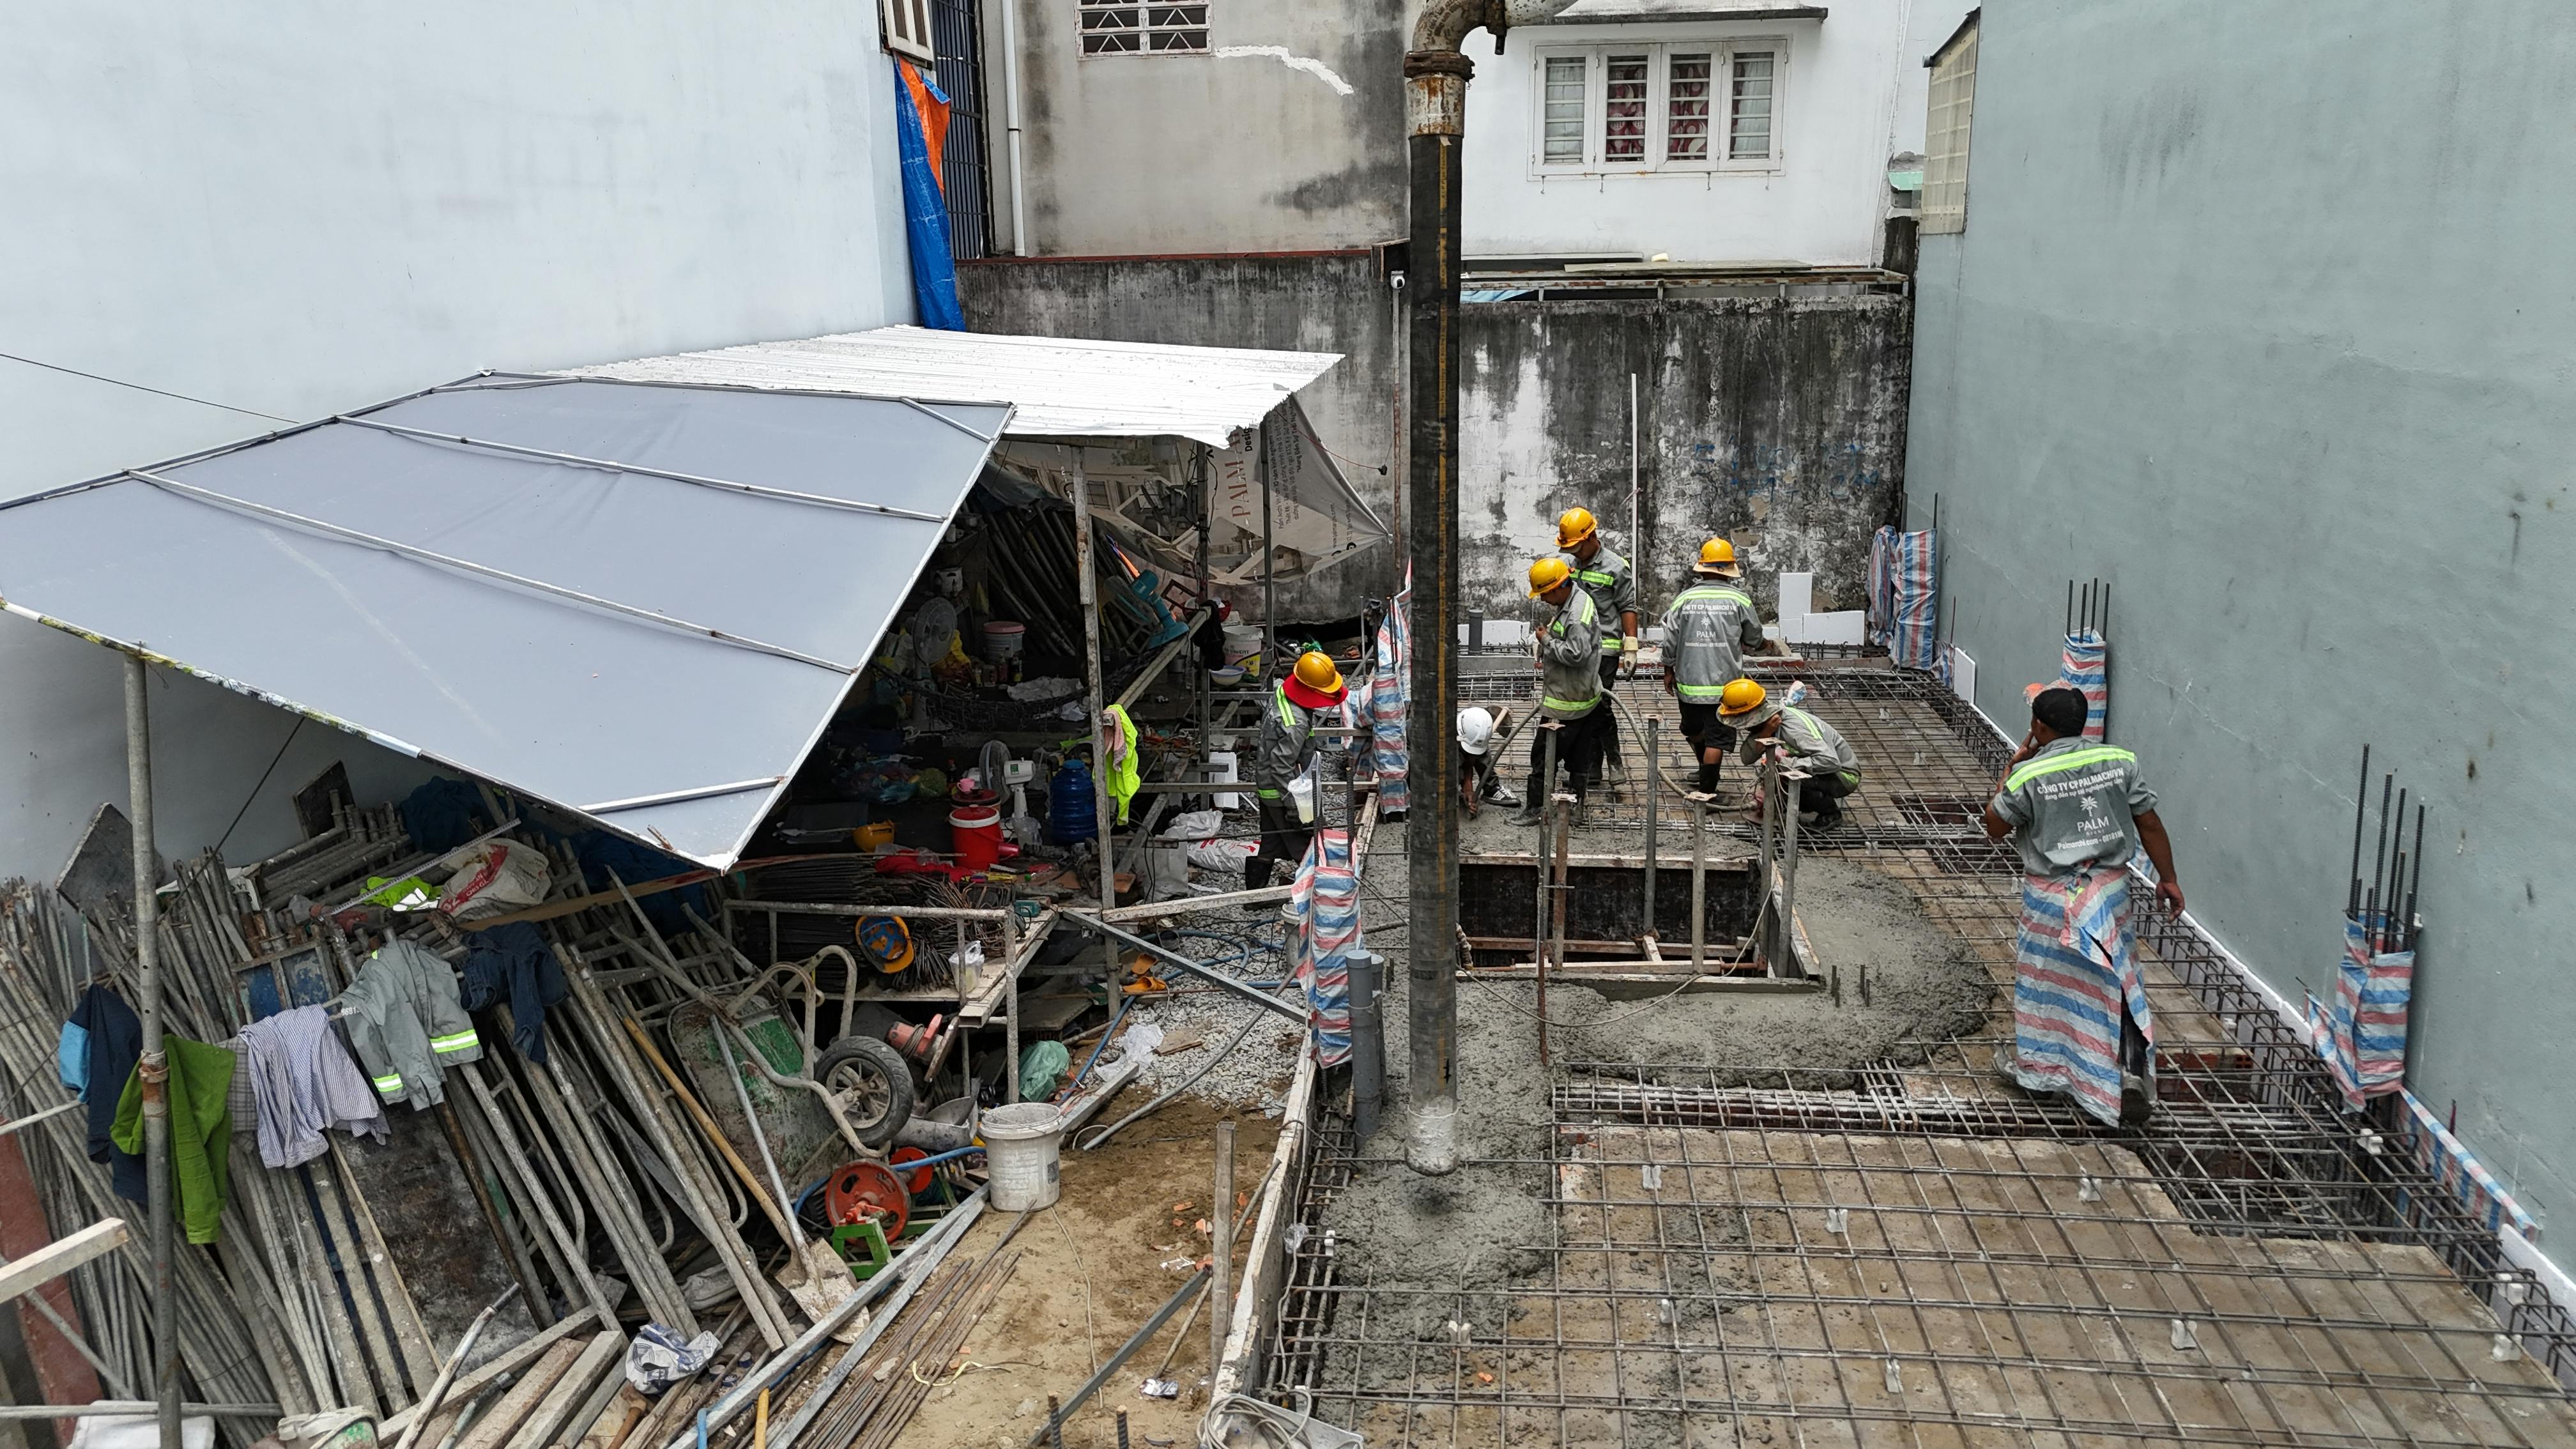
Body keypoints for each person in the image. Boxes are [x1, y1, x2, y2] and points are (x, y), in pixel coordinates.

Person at [1983, 686, 2183, 1126]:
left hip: (2051, 902)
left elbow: (1994, 824)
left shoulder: (2029, 774)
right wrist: (2168, 879)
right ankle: (2129, 1073)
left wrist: (2013, 768)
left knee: (2046, 985)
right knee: (2119, 980)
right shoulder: (2120, 761)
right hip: (2110, 893)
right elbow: (2149, 823)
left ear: (2038, 727)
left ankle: (2042, 1073)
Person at [1661, 539, 1766, 795]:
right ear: (1728, 569)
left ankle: (1705, 771)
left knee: (1694, 730)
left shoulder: (1684, 599)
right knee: (1717, 740)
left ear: (1703, 568)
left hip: (1690, 684)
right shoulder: (1739, 600)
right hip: (1726, 689)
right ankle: (1708, 793)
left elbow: (1670, 640)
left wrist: (1668, 670)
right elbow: (1754, 638)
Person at [1508, 556, 1605, 827]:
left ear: (1560, 586)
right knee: (1579, 759)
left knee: (1542, 757)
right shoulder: (1576, 600)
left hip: (1565, 702)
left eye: (1545, 593)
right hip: (1584, 696)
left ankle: (1536, 809)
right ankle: (1575, 809)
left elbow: (1576, 655)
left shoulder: (1576, 615)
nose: (1543, 599)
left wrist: (1546, 640)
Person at [1246, 650, 1346, 900]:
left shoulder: (1283, 694)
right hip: (1281, 790)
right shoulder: (1296, 723)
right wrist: (1294, 806)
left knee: (1270, 842)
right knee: (1304, 844)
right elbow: (1281, 766)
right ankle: (1318, 896)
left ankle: (1253, 899)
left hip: (1267, 786)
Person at [1554, 508, 1638, 785]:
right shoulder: (1569, 565)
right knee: (1581, 705)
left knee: (1599, 704)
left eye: (1577, 546)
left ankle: (1614, 761)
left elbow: (1627, 606)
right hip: (1577, 646)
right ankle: (1591, 768)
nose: (1575, 553)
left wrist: (1631, 645)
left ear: (1592, 537)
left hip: (1605, 648)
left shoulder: (1616, 567)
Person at [1717, 678, 1860, 830]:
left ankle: (1830, 813)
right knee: (1775, 770)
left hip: (1843, 776)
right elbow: (1747, 758)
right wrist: (1766, 733)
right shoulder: (1769, 721)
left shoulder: (1793, 730)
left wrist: (1785, 764)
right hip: (1825, 770)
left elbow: (1830, 761)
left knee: (1786, 777)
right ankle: (1780, 804)